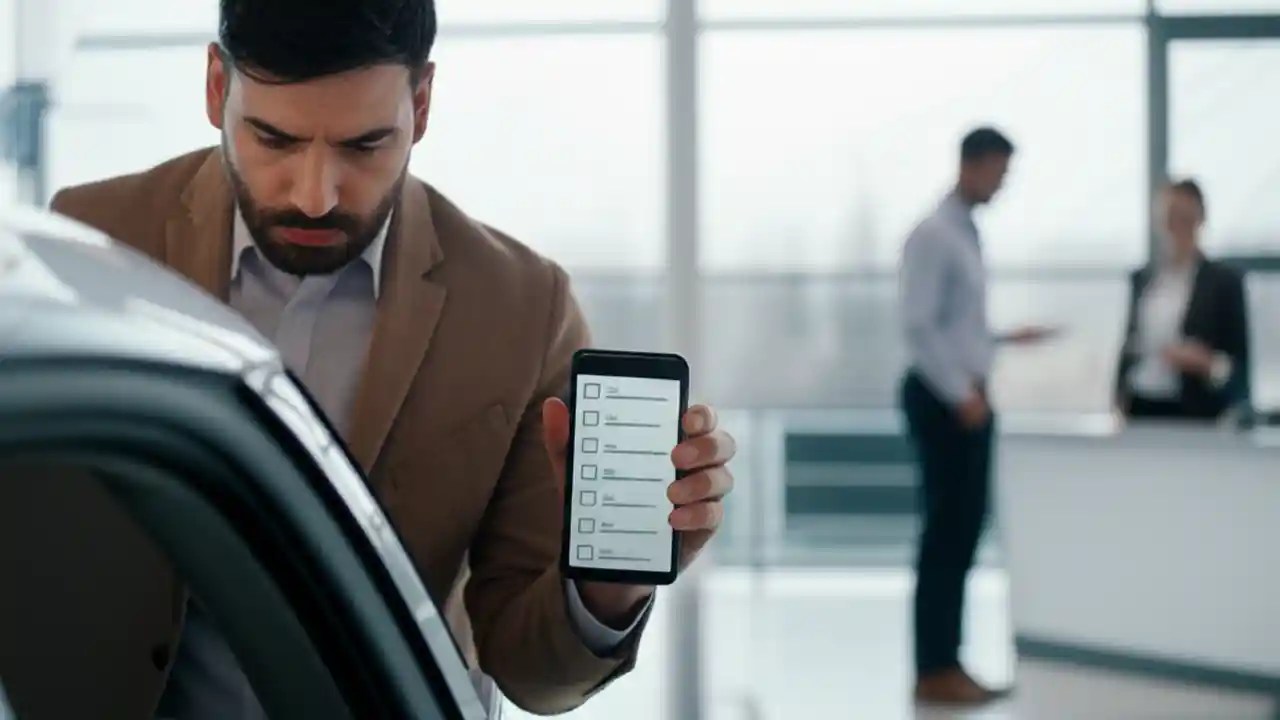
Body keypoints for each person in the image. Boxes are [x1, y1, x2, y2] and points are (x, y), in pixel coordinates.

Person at [48, 0, 737, 716]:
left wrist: (611, 580)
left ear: (422, 103)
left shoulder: (522, 308)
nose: (315, 196)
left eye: (364, 146)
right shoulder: (88, 237)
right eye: (274, 140)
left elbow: (534, 676)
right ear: (217, 89)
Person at [898, 127, 1051, 706]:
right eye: (1000, 172)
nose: (1003, 184)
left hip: (962, 395)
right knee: (946, 535)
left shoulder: (964, 232)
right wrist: (962, 393)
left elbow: (955, 325)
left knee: (960, 533)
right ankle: (935, 668)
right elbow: (918, 326)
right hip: (946, 401)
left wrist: (1003, 338)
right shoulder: (935, 235)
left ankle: (946, 663)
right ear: (973, 164)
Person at [1116, 180, 1250, 421]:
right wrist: (1117, 400)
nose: (1176, 227)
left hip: (1192, 410)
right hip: (1140, 404)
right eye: (1170, 217)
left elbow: (1239, 369)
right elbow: (1128, 347)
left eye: (1184, 218)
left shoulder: (1223, 282)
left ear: (1200, 219)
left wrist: (1207, 363)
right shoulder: (1144, 279)